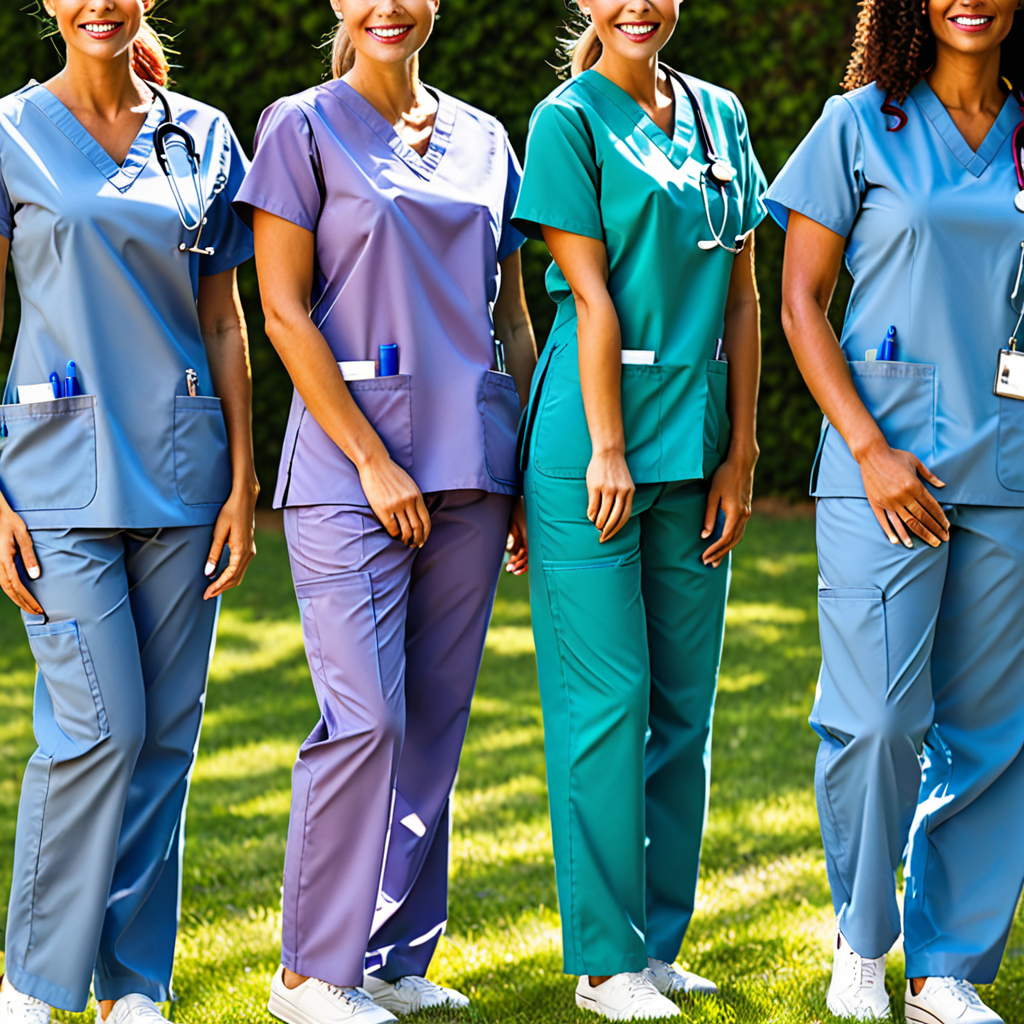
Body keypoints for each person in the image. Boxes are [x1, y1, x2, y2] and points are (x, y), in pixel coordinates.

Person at [234, 1, 536, 1021]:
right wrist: (370, 457)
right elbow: (279, 308)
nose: (389, 7)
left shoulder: (487, 139)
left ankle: (397, 956)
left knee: (434, 721)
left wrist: (527, 473)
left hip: (476, 461)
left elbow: (511, 310)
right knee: (363, 717)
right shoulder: (300, 127)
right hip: (350, 469)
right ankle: (311, 972)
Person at [766, 1, 1024, 1021]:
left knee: (992, 733)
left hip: (1004, 462)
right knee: (874, 720)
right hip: (882, 464)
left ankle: (945, 967)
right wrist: (869, 450)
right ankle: (862, 939)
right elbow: (799, 300)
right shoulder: (859, 123)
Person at [0, 1, 257, 1022]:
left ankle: (134, 985)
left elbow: (224, 319)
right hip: (54, 477)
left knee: (163, 736)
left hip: (185, 471)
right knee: (97, 727)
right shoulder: (12, 132)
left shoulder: (203, 134)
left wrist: (241, 479)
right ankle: (31, 976)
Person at [511, 0, 765, 1018]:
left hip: (696, 441)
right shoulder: (565, 120)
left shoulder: (720, 115)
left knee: (680, 709)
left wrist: (743, 450)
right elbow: (592, 292)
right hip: (592, 442)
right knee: (604, 701)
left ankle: (656, 944)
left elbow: (742, 295)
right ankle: (603, 960)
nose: (638, 7)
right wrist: (608, 448)